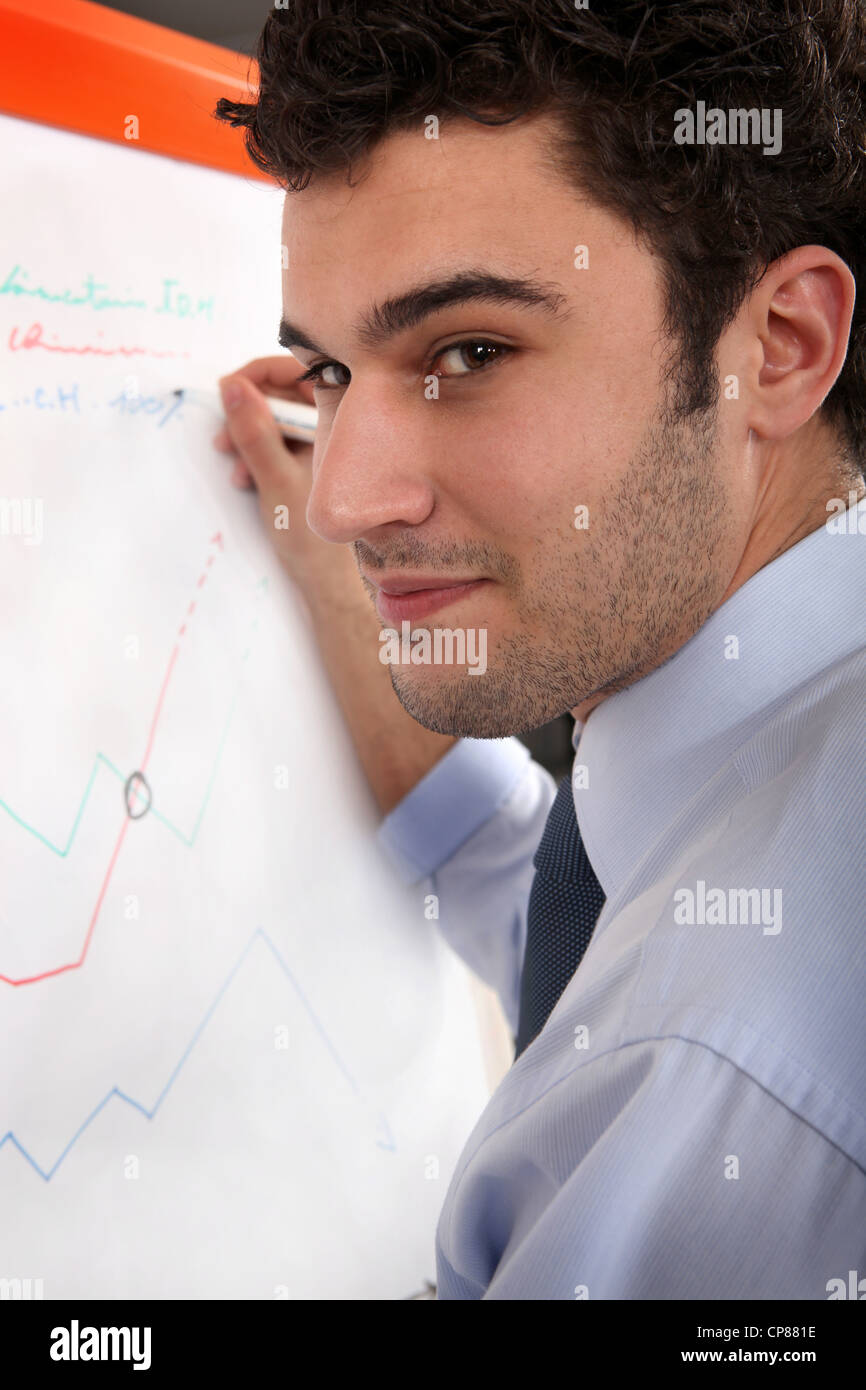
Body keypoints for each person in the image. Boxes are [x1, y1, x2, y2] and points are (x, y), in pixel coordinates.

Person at [212, 1, 866, 1298]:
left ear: (775, 348)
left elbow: (676, 1003)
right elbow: (605, 904)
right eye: (331, 372)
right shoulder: (778, 730)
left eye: (467, 351)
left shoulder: (708, 1073)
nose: (342, 499)